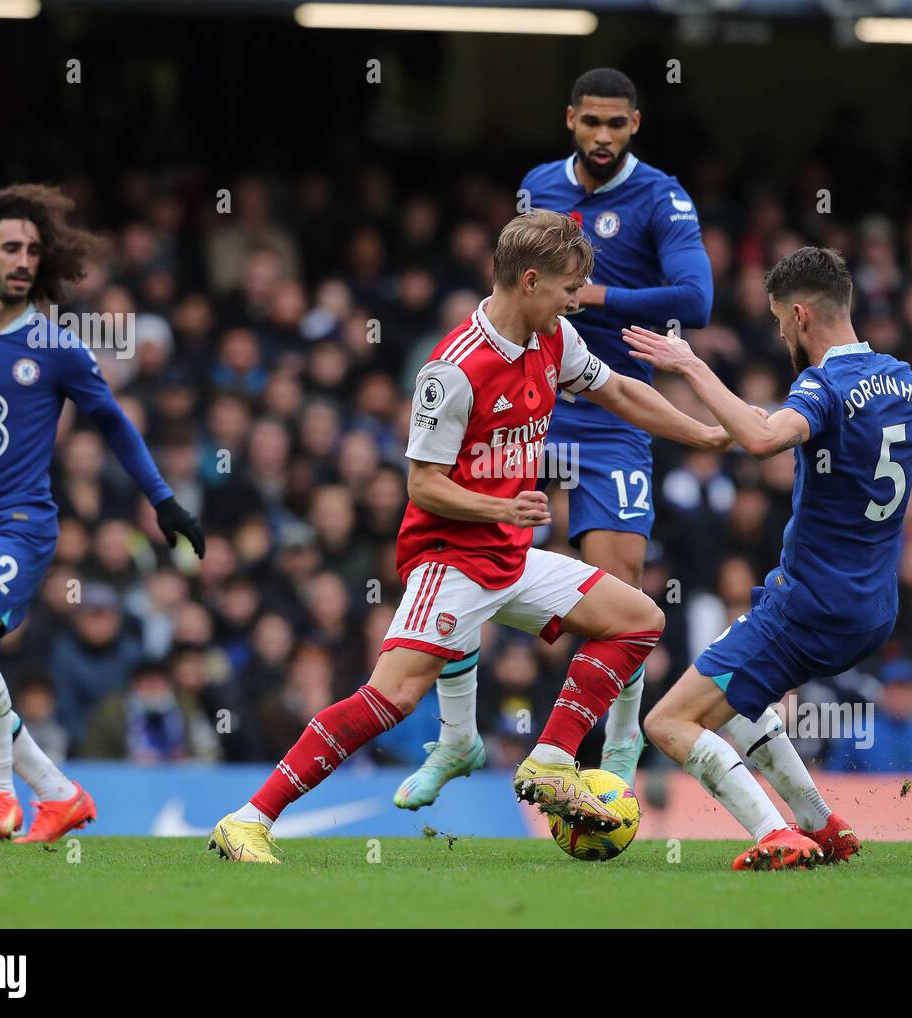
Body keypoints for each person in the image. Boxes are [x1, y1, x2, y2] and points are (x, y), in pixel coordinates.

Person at [209, 210, 730, 863]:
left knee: (637, 619)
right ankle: (248, 819)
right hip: (450, 559)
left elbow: (621, 392)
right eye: (570, 288)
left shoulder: (556, 339)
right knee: (393, 695)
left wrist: (706, 433)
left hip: (509, 556)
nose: (577, 300)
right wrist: (498, 509)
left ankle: (549, 758)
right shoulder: (453, 369)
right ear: (531, 280)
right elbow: (422, 484)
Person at [394, 67, 713, 807]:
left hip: (608, 403)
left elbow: (697, 299)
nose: (603, 137)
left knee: (622, 589)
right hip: (527, 395)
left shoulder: (662, 197)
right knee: (460, 554)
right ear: (571, 119)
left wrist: (594, 295)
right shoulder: (538, 184)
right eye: (591, 122)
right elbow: (514, 281)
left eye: (617, 125)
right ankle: (456, 740)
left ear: (636, 125)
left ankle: (622, 742)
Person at [0, 184, 205, 842]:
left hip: (21, 522)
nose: (24, 259)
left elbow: (113, 423)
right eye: (11, 248)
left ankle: (0, 796)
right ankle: (58, 792)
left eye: (33, 249)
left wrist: (163, 500)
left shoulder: (56, 347)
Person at [628, 246, 912, 870]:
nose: (780, 330)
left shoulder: (823, 384)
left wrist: (690, 366)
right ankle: (821, 823)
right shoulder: (909, 384)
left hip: (807, 607)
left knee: (670, 721)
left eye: (781, 319)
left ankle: (773, 835)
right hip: (872, 613)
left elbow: (759, 441)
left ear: (803, 315)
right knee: (733, 699)